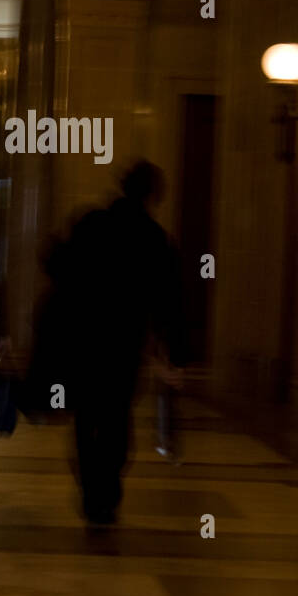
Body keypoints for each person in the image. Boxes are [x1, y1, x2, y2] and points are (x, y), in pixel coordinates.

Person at [45, 161, 186, 526]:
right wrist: (171, 351)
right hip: (125, 344)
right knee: (116, 416)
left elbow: (60, 267)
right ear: (153, 194)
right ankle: (105, 490)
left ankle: (92, 487)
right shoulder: (155, 238)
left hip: (84, 338)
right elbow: (168, 301)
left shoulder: (91, 222)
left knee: (86, 416)